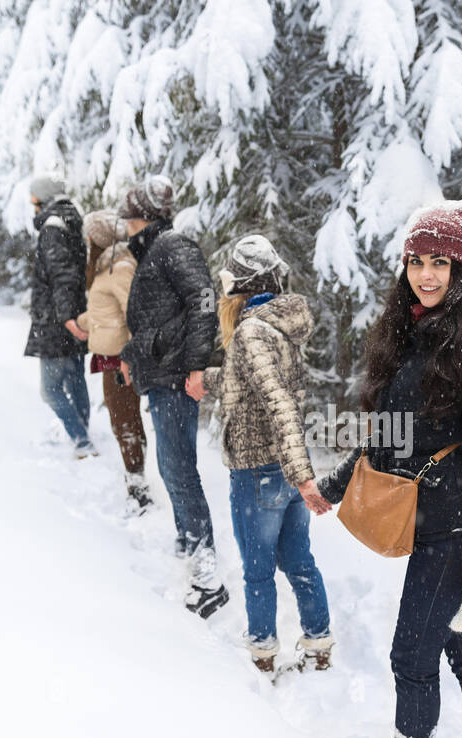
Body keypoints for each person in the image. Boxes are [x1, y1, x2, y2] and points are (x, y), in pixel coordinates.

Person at [317, 201, 462, 738]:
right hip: (421, 514)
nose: (426, 275)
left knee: (413, 648)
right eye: (416, 261)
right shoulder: (408, 331)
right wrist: (333, 486)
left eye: (441, 263)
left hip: (456, 526)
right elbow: (389, 436)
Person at [195, 235, 334, 673]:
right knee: (299, 560)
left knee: (257, 569)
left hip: (260, 473)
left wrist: (303, 475)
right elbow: (253, 384)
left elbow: (279, 403)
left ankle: (262, 655)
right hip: (284, 472)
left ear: (241, 283)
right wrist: (209, 382)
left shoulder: (252, 331)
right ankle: (319, 643)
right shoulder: (274, 324)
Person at [117, 175, 228, 619]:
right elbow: (161, 320)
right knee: (171, 466)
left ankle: (207, 576)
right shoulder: (158, 251)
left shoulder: (172, 246)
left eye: (127, 218)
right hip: (163, 375)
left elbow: (204, 302)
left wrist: (198, 364)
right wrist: (133, 352)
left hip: (177, 378)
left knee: (179, 470)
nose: (124, 227)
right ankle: (188, 546)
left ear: (140, 217)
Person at [73, 210, 152, 513]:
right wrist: (81, 322)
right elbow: (106, 310)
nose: (86, 239)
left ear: (99, 238)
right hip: (112, 355)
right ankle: (135, 478)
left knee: (125, 420)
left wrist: (130, 358)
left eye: (90, 234)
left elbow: (134, 313)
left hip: (122, 358)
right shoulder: (107, 264)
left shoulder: (119, 266)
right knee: (122, 418)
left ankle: (139, 487)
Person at [24, 174, 94, 458]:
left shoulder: (52, 229)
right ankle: (82, 432)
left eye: (34, 201)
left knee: (50, 389)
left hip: (56, 321)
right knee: (75, 379)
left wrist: (66, 319)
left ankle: (81, 439)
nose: (34, 208)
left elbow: (63, 276)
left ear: (43, 200)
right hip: (73, 313)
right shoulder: (71, 222)